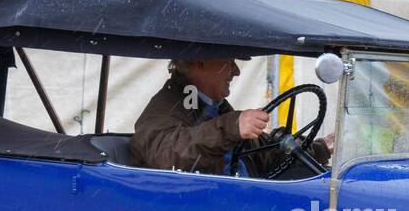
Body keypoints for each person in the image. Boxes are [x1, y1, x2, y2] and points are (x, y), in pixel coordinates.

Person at [128, 58, 332, 175]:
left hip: (232, 206)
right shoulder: (166, 107)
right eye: (229, 60)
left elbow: (262, 153)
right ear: (199, 61)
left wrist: (319, 148)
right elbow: (171, 156)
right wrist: (231, 127)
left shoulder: (213, 107)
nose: (236, 71)